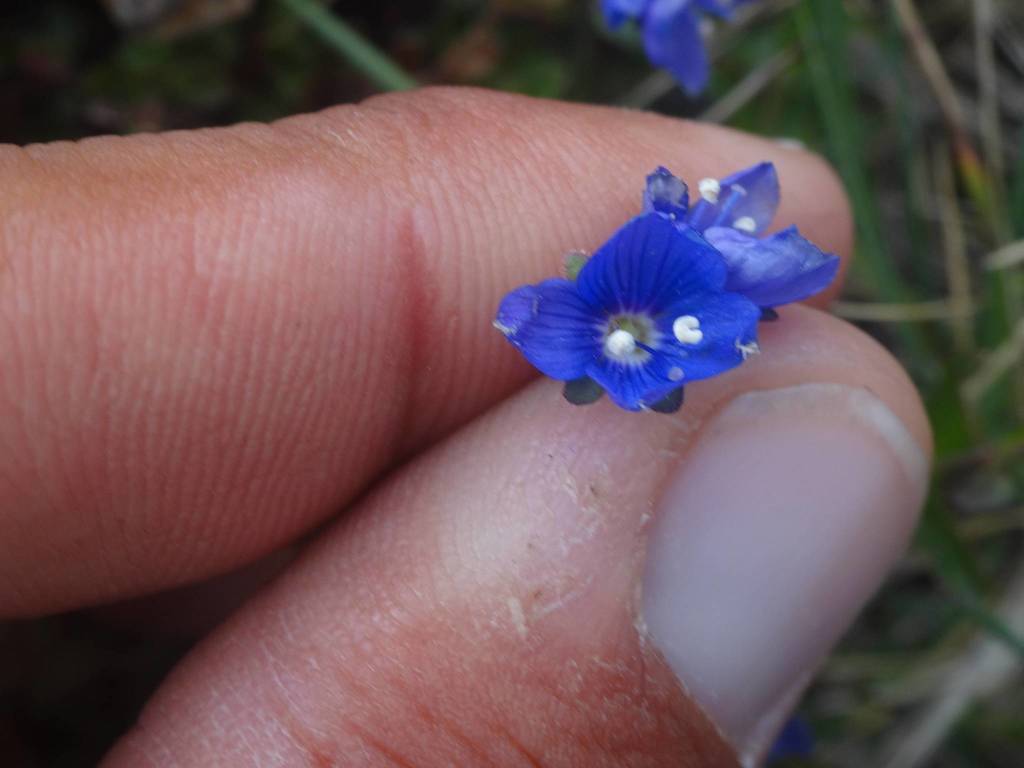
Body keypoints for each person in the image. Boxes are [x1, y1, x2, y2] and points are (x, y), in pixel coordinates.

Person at [0, 87, 930, 767]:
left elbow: (709, 328)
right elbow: (543, 318)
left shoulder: (669, 324)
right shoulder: (565, 323)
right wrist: (641, 326)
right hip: (612, 344)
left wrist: (679, 318)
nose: (628, 334)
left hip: (649, 345)